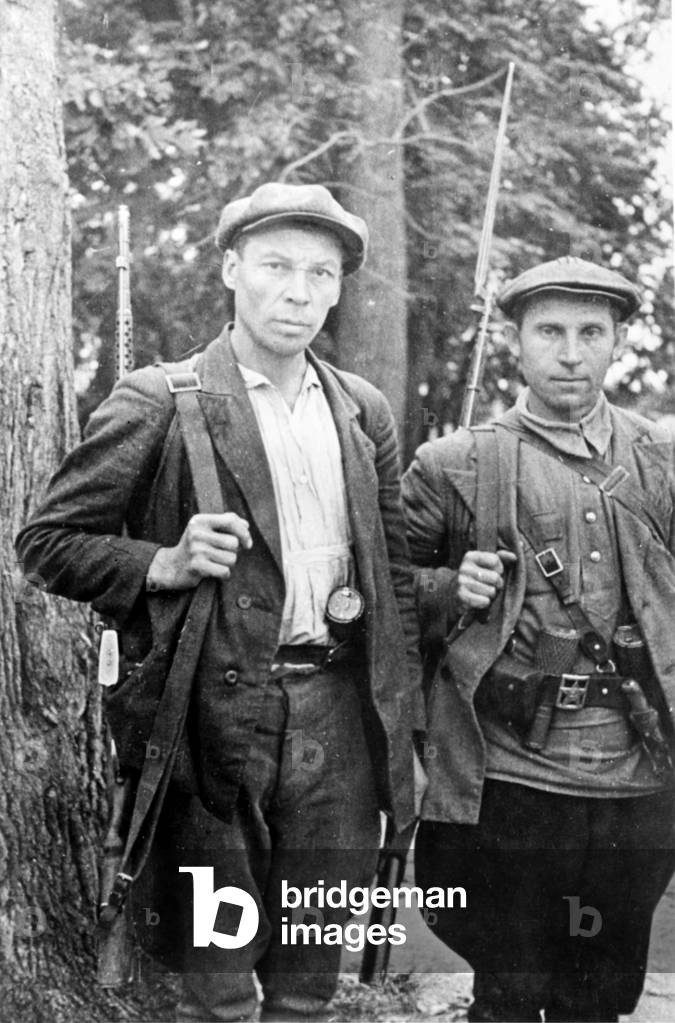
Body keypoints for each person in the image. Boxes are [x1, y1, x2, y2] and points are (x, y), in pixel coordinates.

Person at [16, 182, 423, 1022]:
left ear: (339, 287)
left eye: (319, 272)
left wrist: (400, 722)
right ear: (233, 270)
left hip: (339, 725)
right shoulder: (160, 399)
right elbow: (47, 542)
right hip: (210, 725)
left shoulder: (361, 411)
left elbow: (393, 586)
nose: (297, 291)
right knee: (219, 982)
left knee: (308, 980)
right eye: (276, 265)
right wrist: (162, 559)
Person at [402, 256, 675, 1022]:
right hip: (513, 780)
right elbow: (380, 595)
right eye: (548, 330)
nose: (569, 351)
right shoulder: (454, 464)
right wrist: (449, 587)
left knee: (598, 996)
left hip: (634, 778)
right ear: (513, 342)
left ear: (617, 341)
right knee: (510, 992)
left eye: (591, 331)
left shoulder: (659, 458)